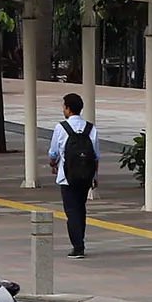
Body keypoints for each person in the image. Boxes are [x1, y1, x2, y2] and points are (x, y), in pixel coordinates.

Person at [48, 93, 99, 258]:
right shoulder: (91, 128)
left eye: (64, 106)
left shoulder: (61, 127)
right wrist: (94, 176)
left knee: (71, 211)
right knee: (80, 209)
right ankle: (80, 242)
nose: (63, 109)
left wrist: (53, 163)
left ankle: (78, 247)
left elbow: (53, 152)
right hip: (86, 176)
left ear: (68, 109)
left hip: (67, 177)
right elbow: (96, 156)